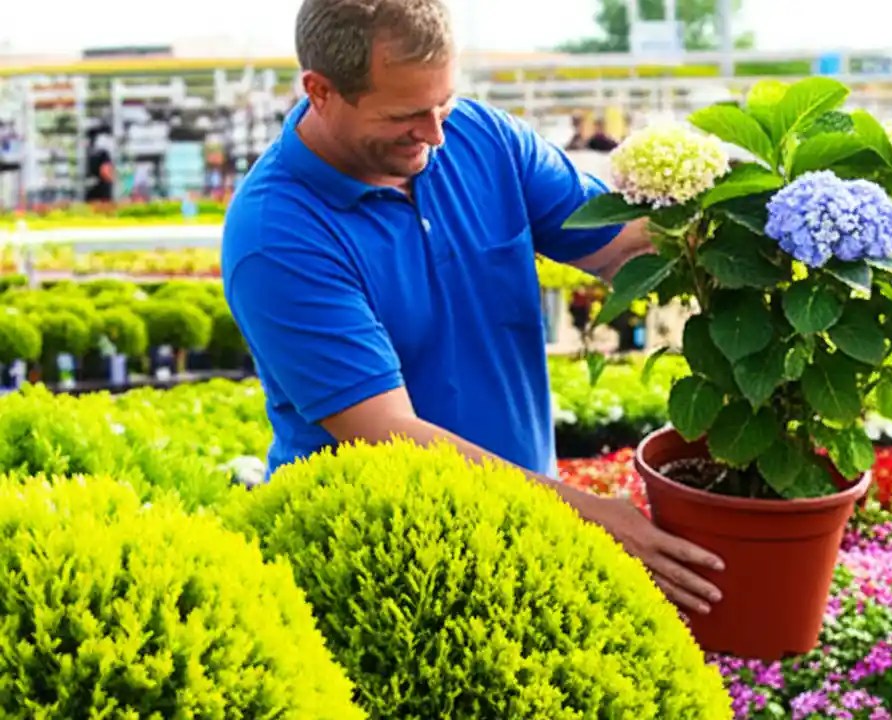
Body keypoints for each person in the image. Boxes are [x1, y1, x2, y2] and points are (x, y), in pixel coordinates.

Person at [221, 0, 724, 617]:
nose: (435, 135)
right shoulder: (278, 234)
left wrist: (754, 227)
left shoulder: (482, 139)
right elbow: (388, 437)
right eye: (405, 114)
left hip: (525, 522)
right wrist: (587, 512)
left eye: (443, 103)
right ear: (320, 91)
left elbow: (616, 244)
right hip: (377, 573)